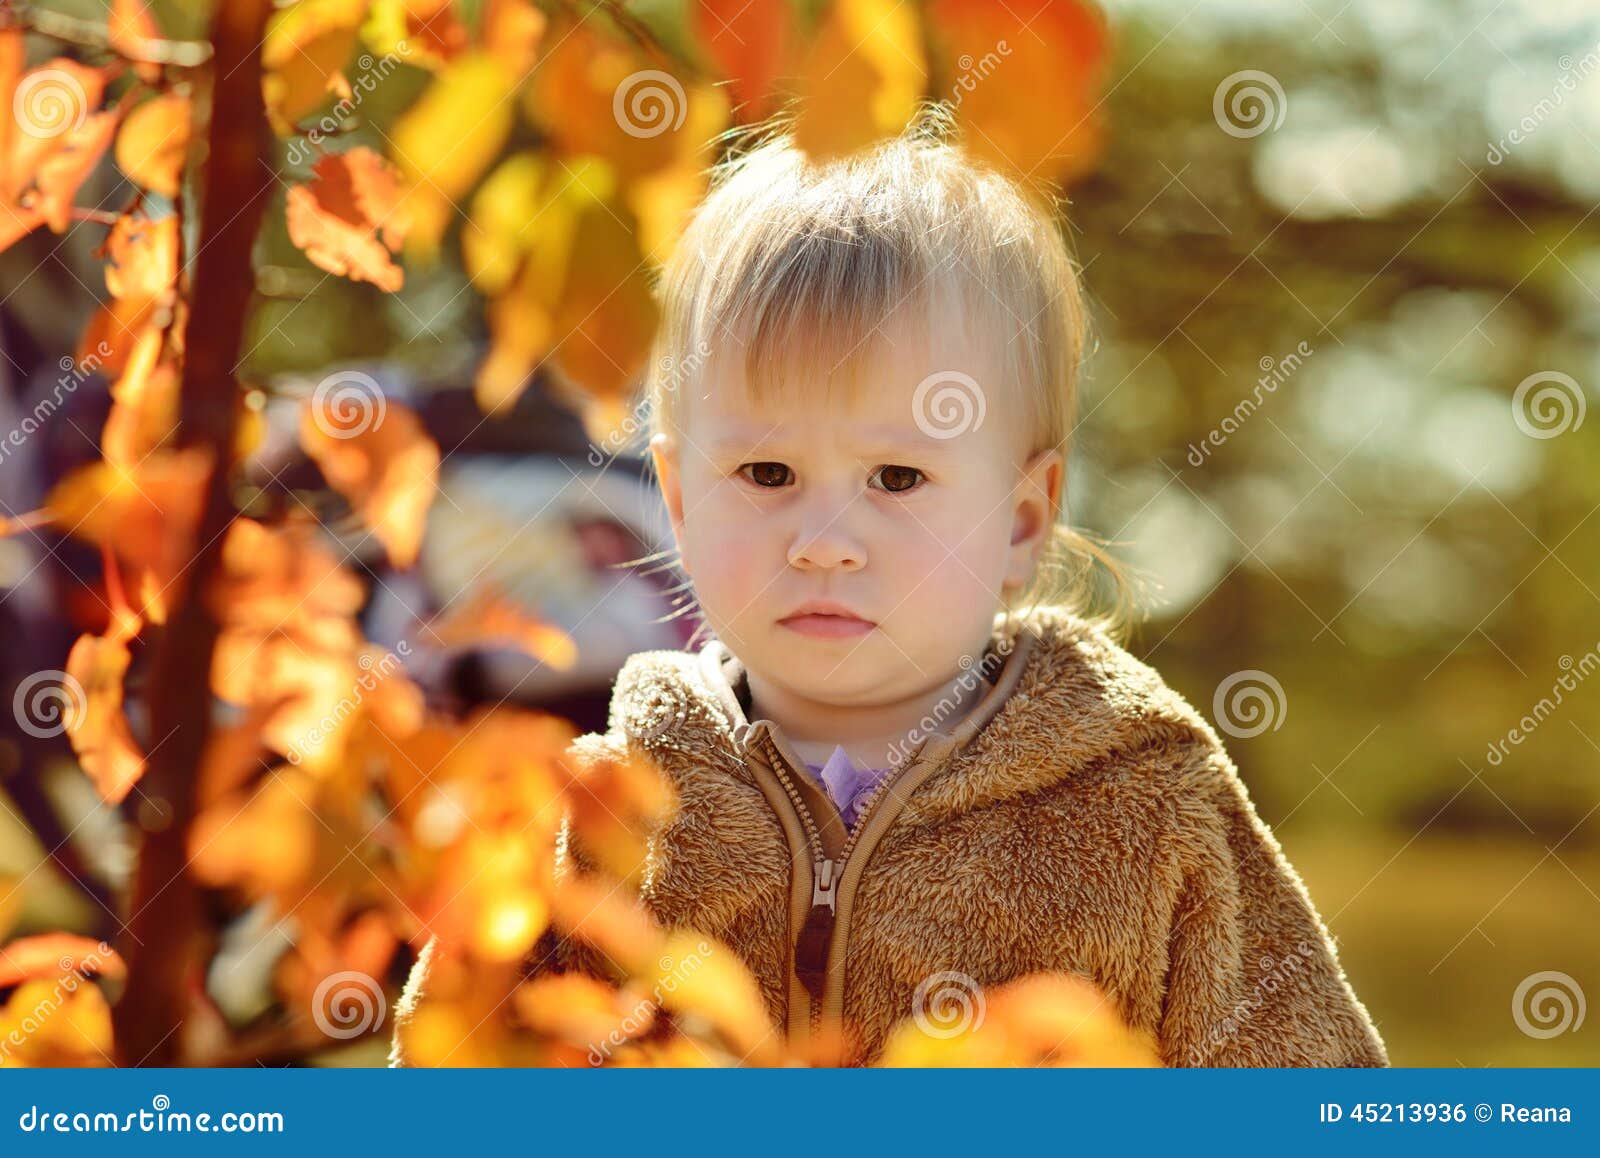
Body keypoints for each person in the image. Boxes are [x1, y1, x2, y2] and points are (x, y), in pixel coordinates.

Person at [391, 105, 1388, 1068]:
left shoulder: (1147, 809)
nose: (824, 544)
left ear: (1020, 519)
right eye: (767, 475)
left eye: (898, 479)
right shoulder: (606, 818)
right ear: (680, 503)